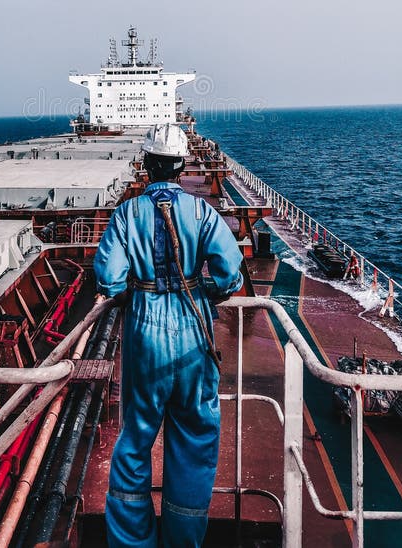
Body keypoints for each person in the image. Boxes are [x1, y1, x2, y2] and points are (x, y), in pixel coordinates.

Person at [94, 123, 244, 547]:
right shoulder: (202, 212)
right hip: (195, 328)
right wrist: (205, 291)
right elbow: (231, 273)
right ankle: (183, 539)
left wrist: (130, 294)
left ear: (146, 164)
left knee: (136, 437)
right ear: (180, 167)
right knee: (196, 437)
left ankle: (131, 541)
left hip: (144, 330)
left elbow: (109, 279)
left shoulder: (127, 213)